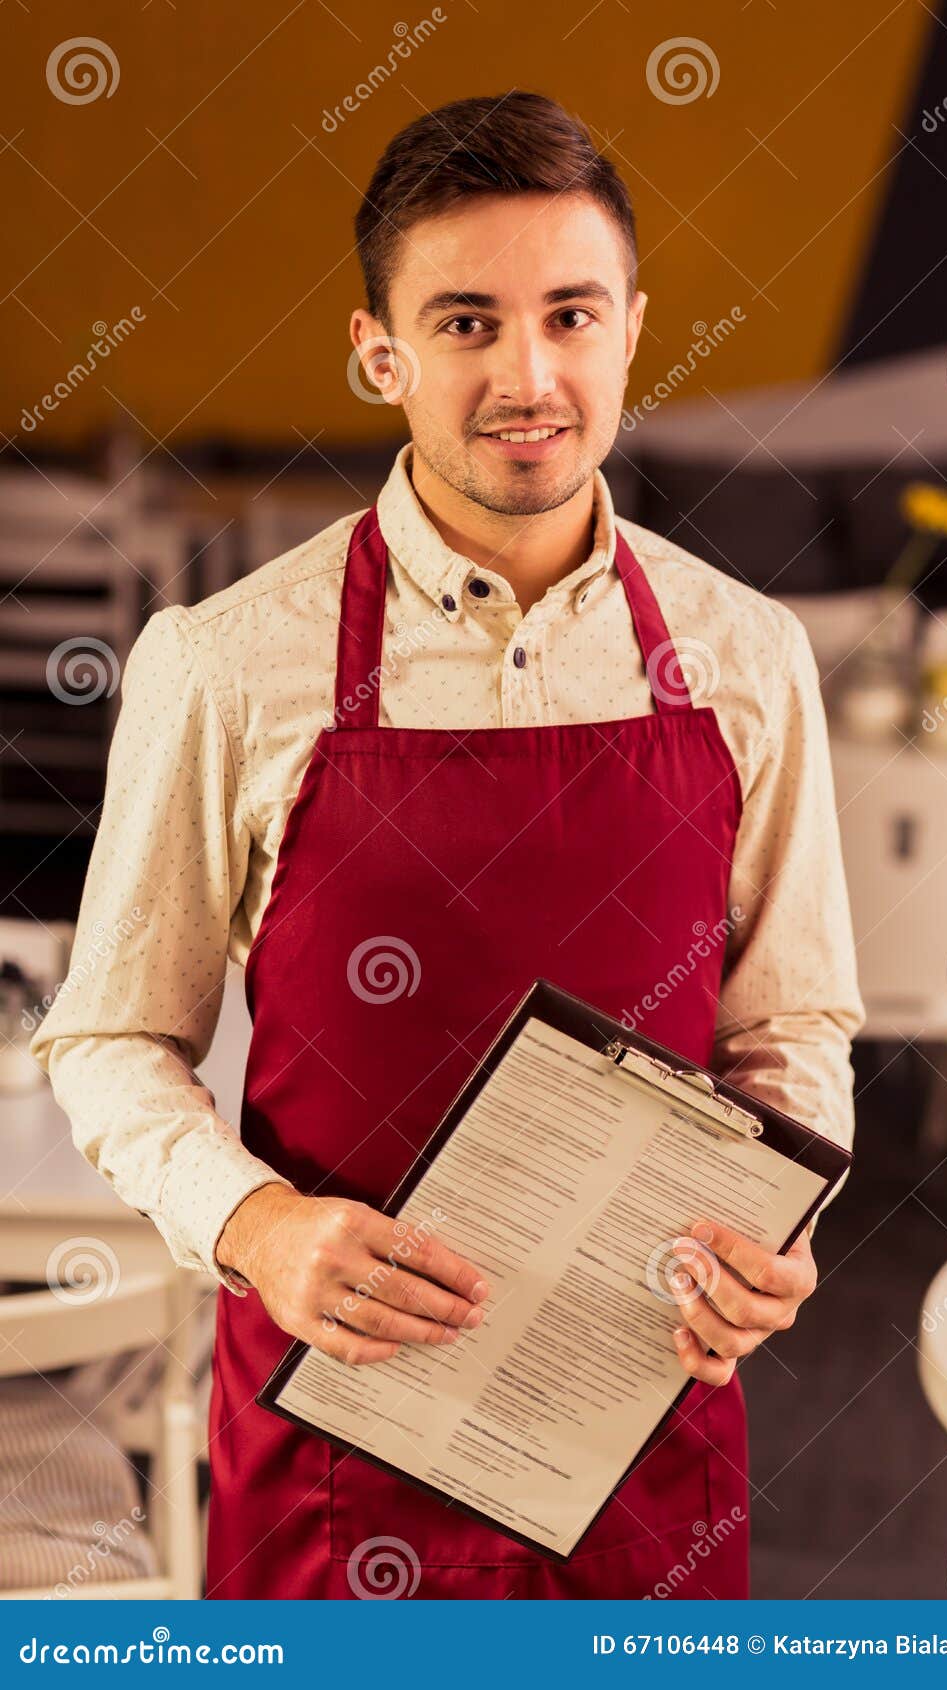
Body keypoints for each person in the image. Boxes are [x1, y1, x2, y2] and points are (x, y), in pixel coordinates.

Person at [30, 90, 865, 1600]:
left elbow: (791, 1019)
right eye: (468, 322)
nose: (528, 375)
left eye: (570, 315)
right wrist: (259, 1226)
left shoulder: (751, 656)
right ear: (382, 354)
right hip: (333, 1450)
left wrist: (773, 1225)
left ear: (630, 331)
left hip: (642, 1433)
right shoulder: (224, 663)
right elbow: (106, 1038)